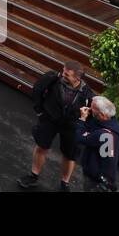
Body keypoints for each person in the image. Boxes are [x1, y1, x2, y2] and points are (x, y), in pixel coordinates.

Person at [17, 60, 94, 190]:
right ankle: (33, 176)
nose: (62, 75)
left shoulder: (87, 93)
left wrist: (82, 126)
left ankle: (65, 183)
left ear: (77, 78)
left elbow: (90, 113)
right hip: (49, 119)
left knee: (70, 155)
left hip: (71, 125)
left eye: (66, 74)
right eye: (63, 71)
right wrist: (40, 112)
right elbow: (37, 90)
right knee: (41, 146)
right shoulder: (52, 78)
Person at [75, 96, 119, 192]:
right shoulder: (114, 126)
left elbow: (79, 137)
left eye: (93, 111)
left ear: (101, 115)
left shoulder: (101, 134)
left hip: (95, 178)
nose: (90, 111)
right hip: (106, 175)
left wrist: (82, 119)